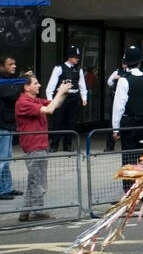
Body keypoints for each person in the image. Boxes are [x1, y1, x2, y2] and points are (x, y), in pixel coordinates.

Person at [14, 71, 73, 222]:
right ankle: (37, 211)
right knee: (38, 182)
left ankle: (25, 211)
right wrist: (60, 92)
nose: (39, 85)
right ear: (26, 87)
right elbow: (49, 110)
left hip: (40, 145)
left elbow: (55, 104)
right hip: (33, 146)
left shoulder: (35, 100)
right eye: (35, 83)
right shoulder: (23, 102)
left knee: (33, 180)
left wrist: (63, 92)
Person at [111, 46, 143, 195]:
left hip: (129, 124)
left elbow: (118, 107)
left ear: (127, 62)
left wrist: (115, 129)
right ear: (139, 62)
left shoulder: (124, 81)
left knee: (128, 158)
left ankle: (130, 193)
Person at [45, 47, 87, 152]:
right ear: (70, 57)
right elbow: (51, 86)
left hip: (74, 98)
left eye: (78, 57)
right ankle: (54, 145)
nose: (77, 59)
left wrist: (84, 97)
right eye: (75, 57)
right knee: (58, 121)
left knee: (71, 122)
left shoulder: (79, 69)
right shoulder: (59, 68)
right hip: (61, 97)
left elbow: (82, 85)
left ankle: (67, 145)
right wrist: (50, 101)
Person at [0, 55, 23, 201]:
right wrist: (23, 82)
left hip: (6, 124)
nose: (14, 66)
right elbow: (12, 95)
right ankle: (2, 190)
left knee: (6, 158)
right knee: (3, 159)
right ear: (1, 66)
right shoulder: (3, 83)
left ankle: (7, 188)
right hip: (2, 125)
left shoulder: (8, 81)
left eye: (14, 63)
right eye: (10, 64)